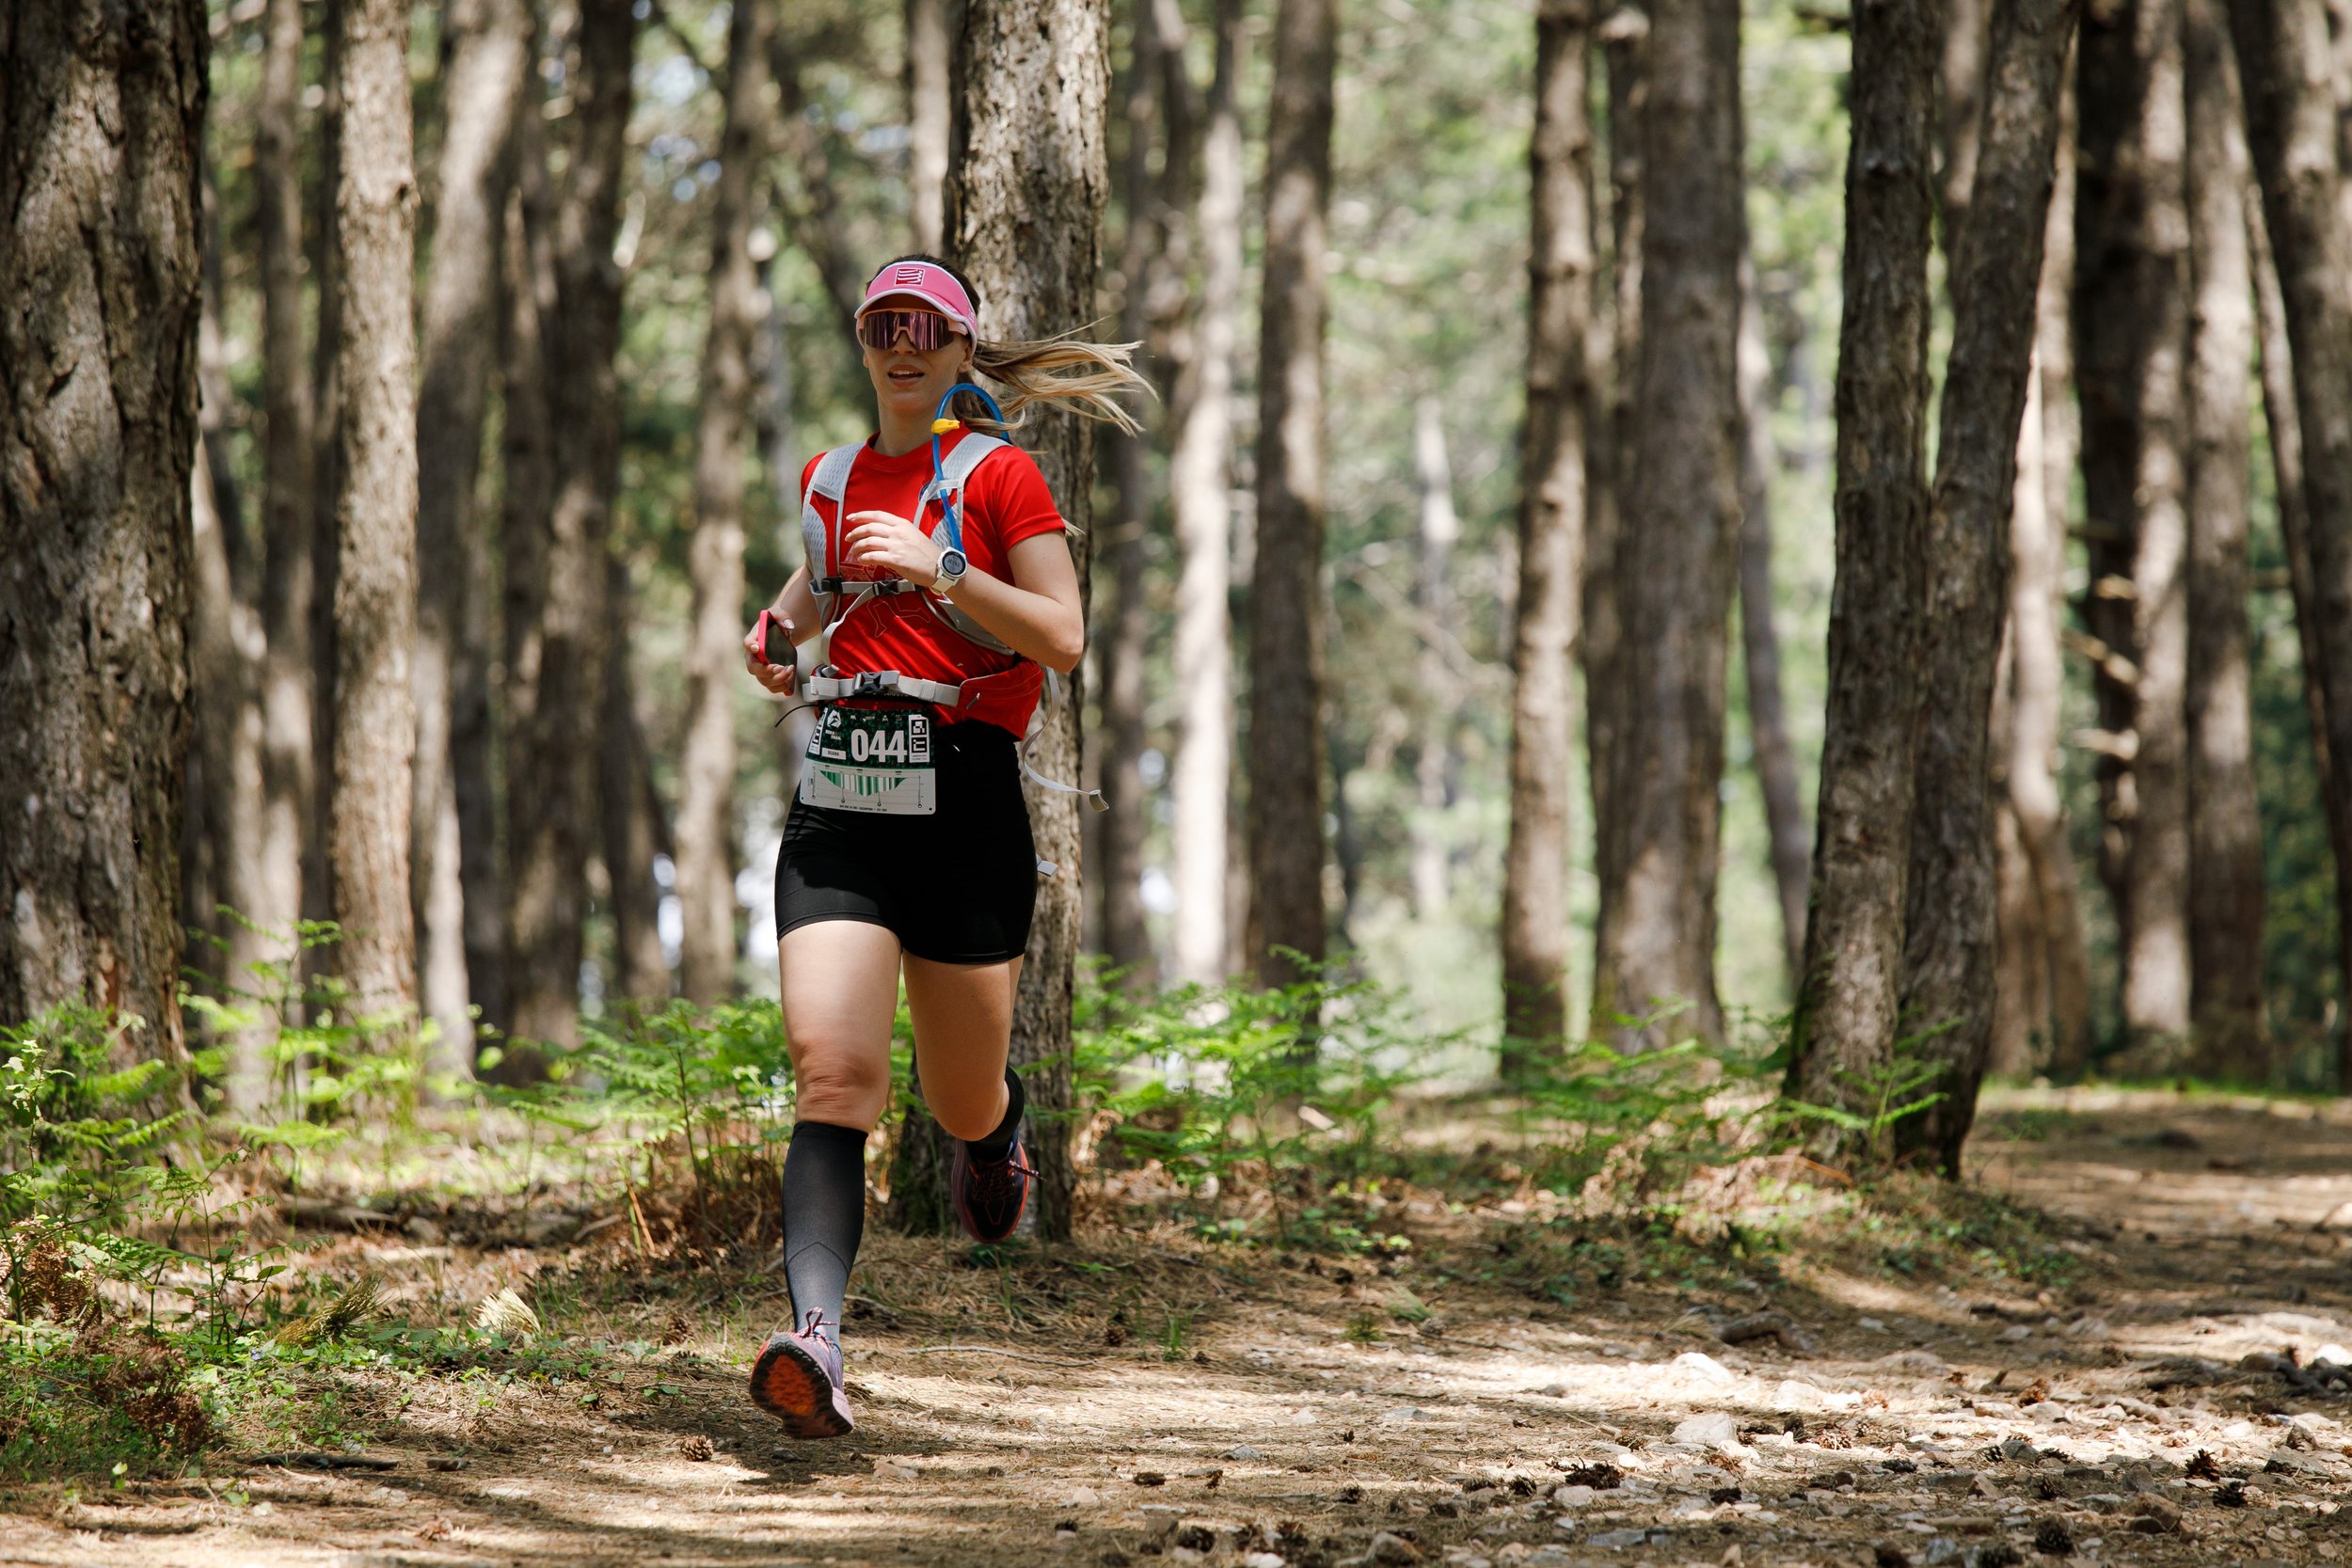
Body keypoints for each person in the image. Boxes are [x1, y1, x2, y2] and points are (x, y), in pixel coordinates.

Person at [739, 255, 1143, 1438]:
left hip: (964, 800)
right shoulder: (828, 480)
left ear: (962, 351)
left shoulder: (998, 475)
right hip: (839, 804)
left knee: (957, 1093)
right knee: (835, 1077)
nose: (901, 344)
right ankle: (814, 1338)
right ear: (863, 345)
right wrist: (769, 642)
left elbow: (1063, 638)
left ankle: (996, 1136)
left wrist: (943, 568)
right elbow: (796, 609)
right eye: (881, 326)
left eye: (926, 328)